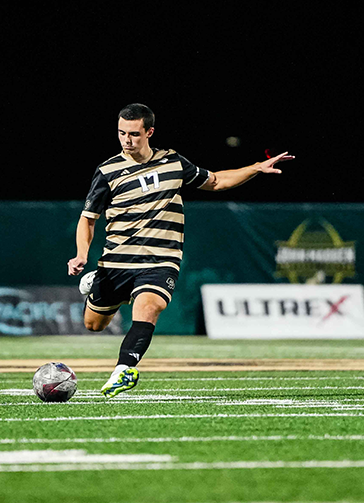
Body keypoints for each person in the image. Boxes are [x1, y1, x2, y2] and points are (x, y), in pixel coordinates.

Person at [67, 103, 292, 397]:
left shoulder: (173, 163)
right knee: (93, 325)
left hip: (161, 261)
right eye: (122, 133)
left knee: (148, 308)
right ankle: (97, 284)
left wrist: (255, 168)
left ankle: (124, 370)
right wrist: (82, 253)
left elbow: (217, 181)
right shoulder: (107, 171)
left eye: (134, 134)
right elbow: (88, 219)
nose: (127, 140)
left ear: (149, 132)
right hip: (117, 261)